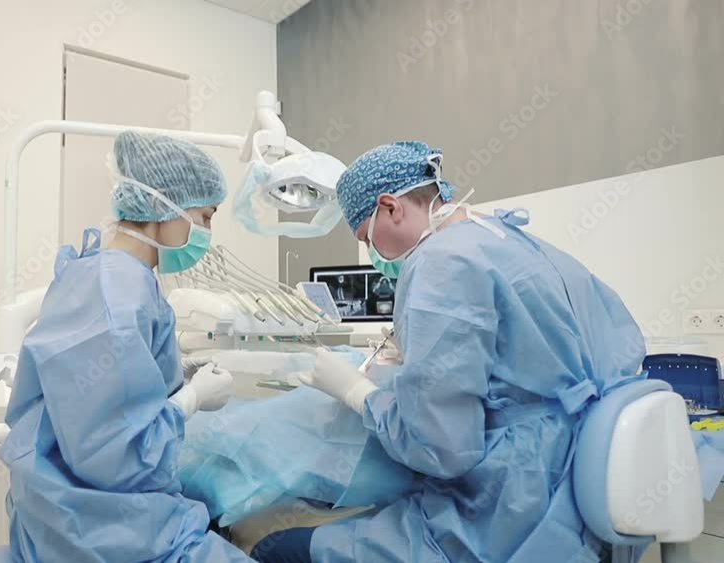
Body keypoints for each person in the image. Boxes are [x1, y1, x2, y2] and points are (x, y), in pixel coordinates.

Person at [251, 141, 646, 563]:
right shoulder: (504, 237)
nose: (371, 252)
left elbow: (443, 450)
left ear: (391, 207)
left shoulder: (440, 263)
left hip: (511, 509)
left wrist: (357, 392)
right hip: (588, 481)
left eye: (366, 236)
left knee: (276, 546)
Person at [0, 131, 253, 562]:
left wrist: (177, 377)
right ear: (162, 205)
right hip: (101, 526)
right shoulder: (118, 294)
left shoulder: (117, 276)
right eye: (206, 216)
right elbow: (113, 453)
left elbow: (108, 390)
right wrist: (190, 400)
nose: (207, 231)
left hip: (72, 507)